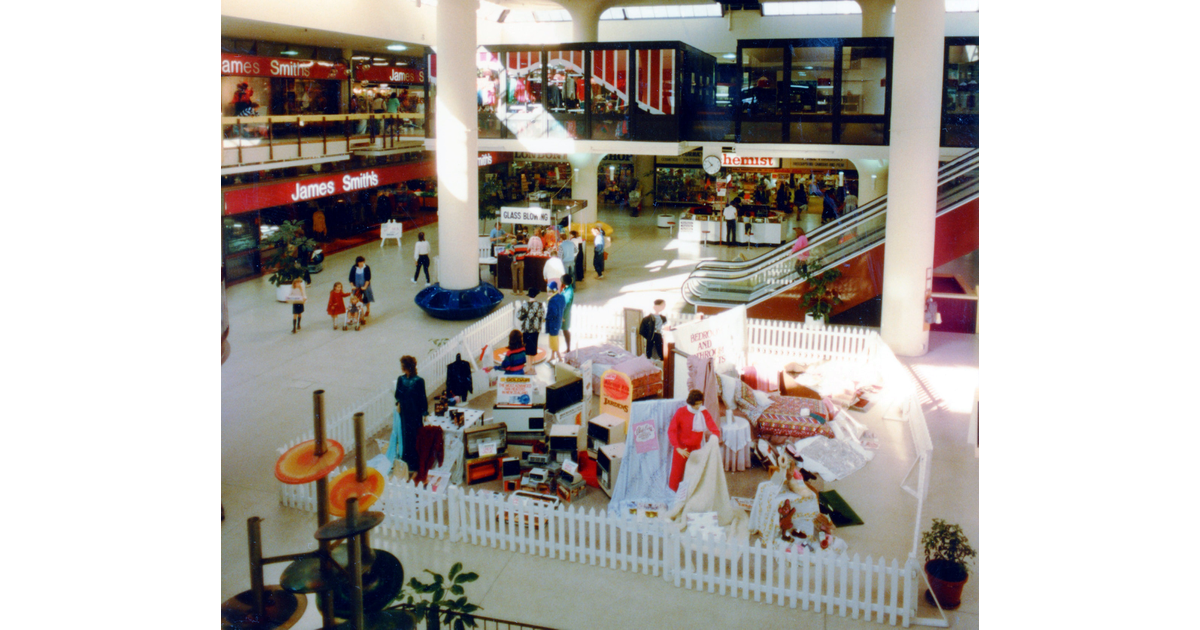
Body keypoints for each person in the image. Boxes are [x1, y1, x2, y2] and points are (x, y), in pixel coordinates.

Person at [667, 389, 722, 492]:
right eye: (696, 404)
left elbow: (712, 425)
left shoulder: (703, 411)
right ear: (691, 403)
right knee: (676, 472)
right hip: (682, 447)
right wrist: (677, 447)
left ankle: (693, 491)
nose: (698, 406)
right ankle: (673, 493)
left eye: (700, 403)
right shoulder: (681, 412)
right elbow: (671, 430)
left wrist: (715, 436)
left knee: (696, 471)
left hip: (696, 447)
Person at [390, 355, 428, 472]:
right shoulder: (402, 379)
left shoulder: (418, 381)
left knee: (414, 436)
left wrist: (424, 413)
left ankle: (415, 463)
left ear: (407, 367)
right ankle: (408, 461)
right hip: (407, 414)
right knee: (406, 436)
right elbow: (398, 395)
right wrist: (399, 404)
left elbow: (422, 397)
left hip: (413, 414)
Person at [516, 287, 544, 358]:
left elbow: (519, 316)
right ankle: (531, 366)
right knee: (533, 348)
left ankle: (528, 365)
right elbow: (542, 316)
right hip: (535, 329)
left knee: (527, 348)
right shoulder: (540, 305)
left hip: (526, 329)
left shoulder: (525, 305)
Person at [544, 281, 566, 363]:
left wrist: (546, 318)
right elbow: (563, 306)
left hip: (553, 322)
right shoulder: (561, 297)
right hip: (558, 320)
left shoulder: (552, 300)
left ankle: (559, 357)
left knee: (553, 339)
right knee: (555, 338)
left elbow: (553, 313)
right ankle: (553, 355)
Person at [348, 256, 374, 321]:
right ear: (357, 263)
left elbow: (368, 278)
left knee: (367, 297)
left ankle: (368, 310)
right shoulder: (354, 268)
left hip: (365, 285)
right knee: (355, 299)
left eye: (362, 262)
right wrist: (352, 286)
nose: (361, 263)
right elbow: (351, 278)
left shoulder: (366, 268)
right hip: (356, 286)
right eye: (360, 262)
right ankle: (356, 312)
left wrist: (365, 286)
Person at [560, 275, 576, 352]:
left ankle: (568, 348)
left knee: (565, 330)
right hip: (564, 314)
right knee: (565, 331)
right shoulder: (568, 288)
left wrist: (562, 316)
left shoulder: (568, 293)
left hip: (564, 315)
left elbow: (565, 304)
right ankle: (568, 348)